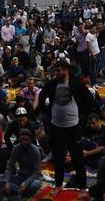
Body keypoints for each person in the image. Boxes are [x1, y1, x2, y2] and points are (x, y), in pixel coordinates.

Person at [37, 59, 92, 189]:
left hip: (73, 127)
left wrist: (83, 116)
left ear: (66, 70)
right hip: (56, 127)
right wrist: (45, 113)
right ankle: (58, 186)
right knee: (58, 158)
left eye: (59, 70)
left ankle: (83, 187)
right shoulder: (52, 84)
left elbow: (89, 99)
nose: (56, 73)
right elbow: (41, 96)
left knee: (77, 159)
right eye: (55, 70)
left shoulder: (75, 83)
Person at [0, 128, 44, 198]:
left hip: (32, 178)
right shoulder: (16, 148)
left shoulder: (35, 151)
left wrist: (26, 183)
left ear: (30, 140)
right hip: (20, 177)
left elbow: (37, 172)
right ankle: (22, 191)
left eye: (26, 140)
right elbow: (10, 166)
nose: (24, 142)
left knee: (35, 185)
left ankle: (18, 190)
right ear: (19, 139)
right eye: (22, 139)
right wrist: (6, 181)